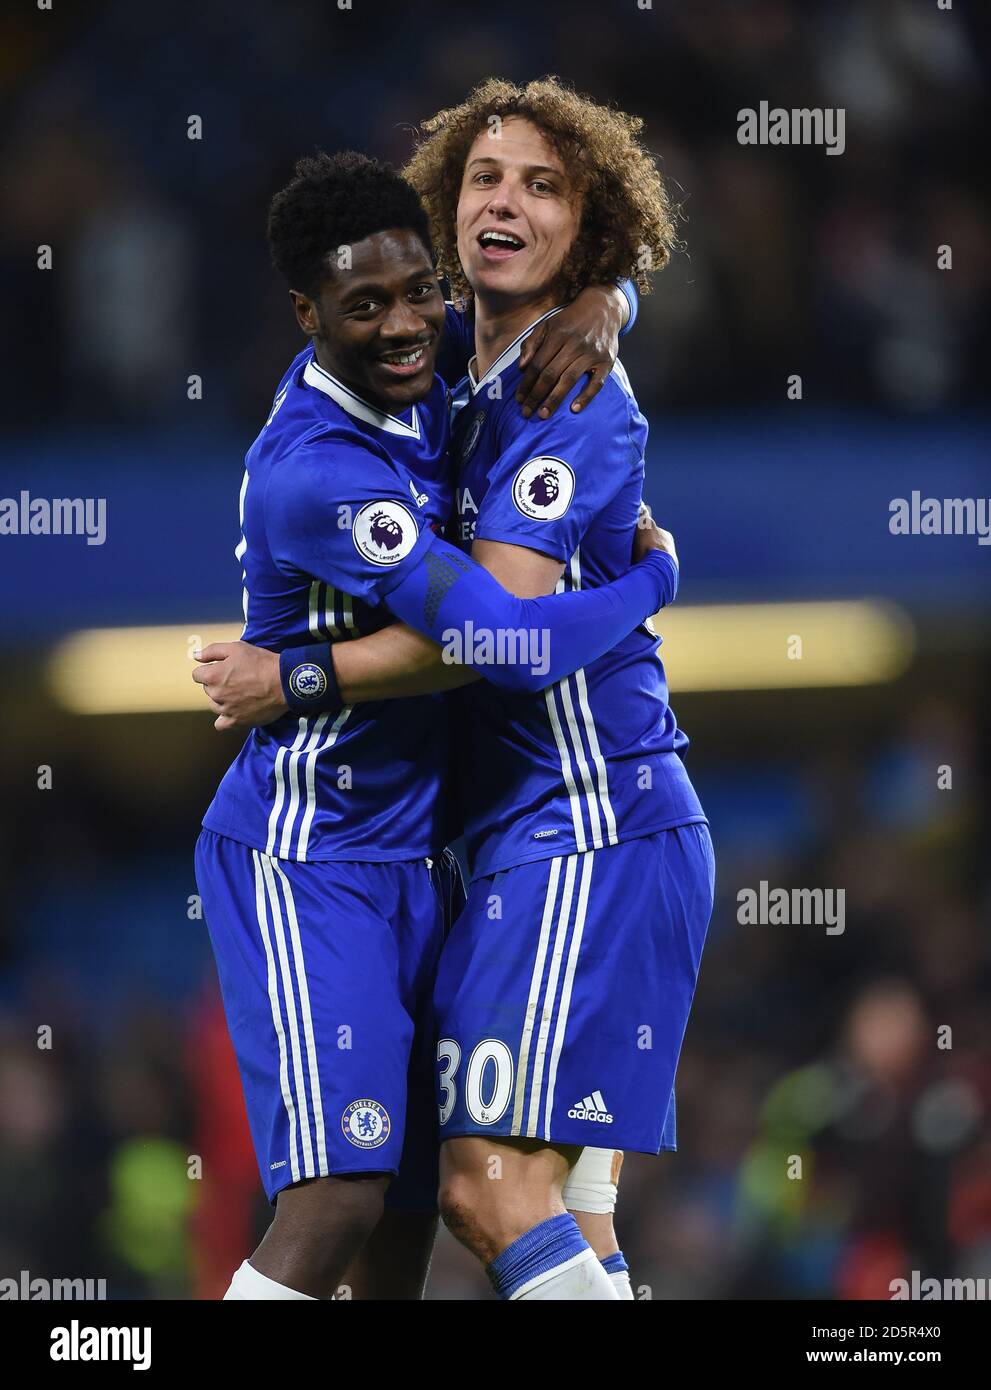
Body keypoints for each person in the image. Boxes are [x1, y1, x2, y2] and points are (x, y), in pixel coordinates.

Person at [211, 78, 713, 1301]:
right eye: (486, 177)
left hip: (584, 821)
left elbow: (511, 641)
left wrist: (305, 673)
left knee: (483, 1191)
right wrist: (610, 297)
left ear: (583, 228)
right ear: (444, 209)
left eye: (544, 186)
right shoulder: (440, 360)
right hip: (489, 841)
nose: (505, 200)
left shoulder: (564, 391)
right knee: (550, 1217)